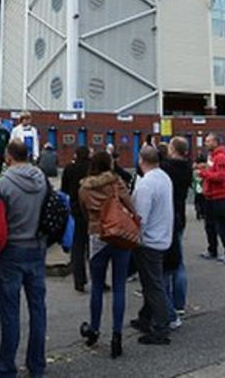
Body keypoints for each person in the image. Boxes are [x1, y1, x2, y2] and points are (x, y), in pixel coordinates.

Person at [0, 140, 48, 378]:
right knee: (38, 308)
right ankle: (37, 365)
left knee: (9, 311)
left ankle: (6, 367)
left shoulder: (2, 183)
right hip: (37, 247)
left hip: (11, 249)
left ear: (9, 157)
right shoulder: (42, 179)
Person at [78, 150, 133, 359]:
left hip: (97, 236)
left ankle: (94, 329)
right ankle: (117, 335)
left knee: (97, 287)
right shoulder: (116, 182)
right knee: (119, 286)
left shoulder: (85, 187)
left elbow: (84, 212)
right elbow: (130, 205)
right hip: (118, 233)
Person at [129, 147, 174, 346]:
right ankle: (145, 318)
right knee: (151, 283)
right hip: (163, 236)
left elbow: (140, 217)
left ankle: (161, 328)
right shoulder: (164, 177)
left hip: (150, 241)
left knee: (153, 286)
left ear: (141, 160)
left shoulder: (146, 185)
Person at [160, 137, 192, 325]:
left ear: (173, 149)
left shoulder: (166, 167)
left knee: (165, 265)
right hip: (180, 216)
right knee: (178, 262)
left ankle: (169, 308)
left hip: (167, 217)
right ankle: (179, 304)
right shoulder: (187, 167)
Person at [197, 134, 225, 263]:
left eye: (208, 141)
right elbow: (212, 171)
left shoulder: (221, 157)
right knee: (209, 225)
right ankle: (212, 250)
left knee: (222, 226)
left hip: (219, 197)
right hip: (209, 196)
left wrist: (203, 173)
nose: (205, 143)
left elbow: (221, 177)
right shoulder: (211, 157)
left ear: (215, 142)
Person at [61, 146, 92, 292]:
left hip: (76, 210)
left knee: (78, 247)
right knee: (94, 247)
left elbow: (64, 190)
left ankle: (79, 281)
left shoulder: (69, 168)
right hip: (92, 211)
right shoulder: (92, 168)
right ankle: (98, 279)